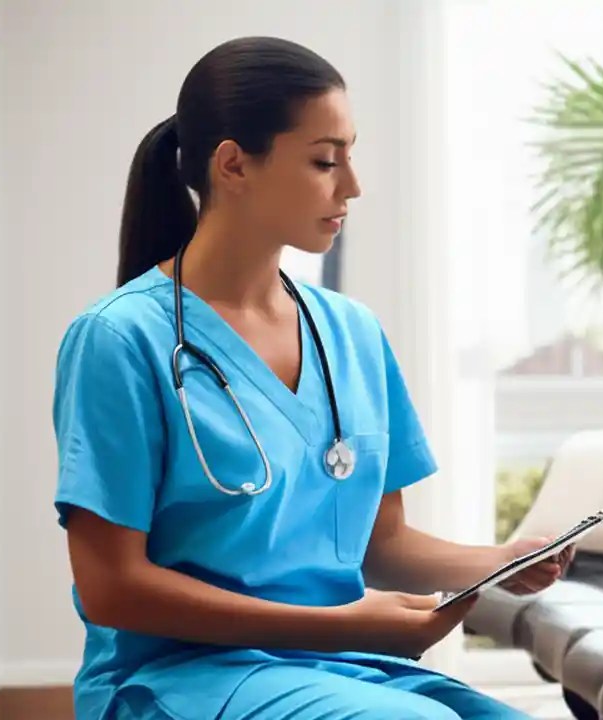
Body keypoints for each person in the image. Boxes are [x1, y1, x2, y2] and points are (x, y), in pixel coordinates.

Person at [52, 36, 570, 720]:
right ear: (233, 165)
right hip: (182, 675)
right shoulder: (120, 340)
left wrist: (495, 561)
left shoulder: (351, 333)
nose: (352, 185)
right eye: (326, 161)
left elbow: (380, 544)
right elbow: (111, 589)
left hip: (338, 667)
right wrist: (347, 624)